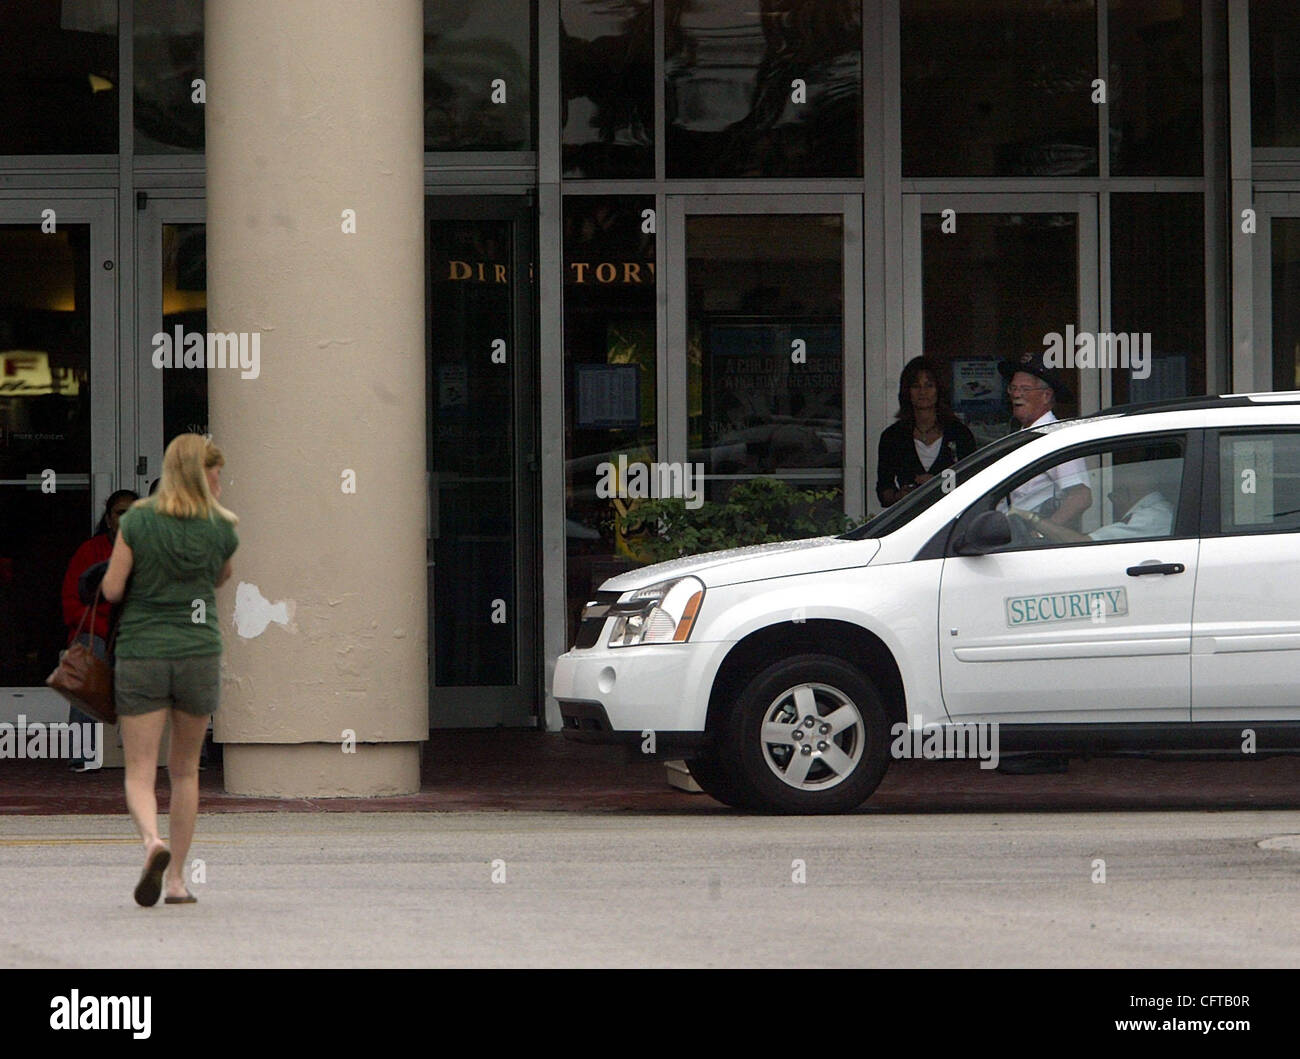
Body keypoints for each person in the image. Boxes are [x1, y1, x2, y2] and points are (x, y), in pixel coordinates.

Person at [102, 435, 238, 907]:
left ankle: (151, 843)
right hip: (198, 652)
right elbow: (222, 577)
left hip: (142, 652)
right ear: (202, 476)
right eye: (215, 474)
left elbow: (114, 590)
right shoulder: (223, 527)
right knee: (185, 771)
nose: (220, 482)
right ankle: (177, 880)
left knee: (140, 769)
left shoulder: (137, 520)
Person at [60, 489, 138, 770]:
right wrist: (108, 630)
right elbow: (72, 605)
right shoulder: (90, 552)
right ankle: (81, 752)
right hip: (98, 633)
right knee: (90, 655)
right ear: (108, 519)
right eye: (120, 513)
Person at [997, 350, 1092, 527]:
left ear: (1046, 395)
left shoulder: (1056, 436)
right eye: (1013, 388)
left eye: (1025, 389)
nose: (1016, 395)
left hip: (1031, 541)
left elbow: (1080, 497)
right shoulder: (1021, 433)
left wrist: (1041, 532)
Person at [876, 356, 977, 507]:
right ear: (907, 392)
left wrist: (937, 485)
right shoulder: (893, 436)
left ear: (939, 390)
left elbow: (973, 484)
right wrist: (899, 496)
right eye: (916, 386)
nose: (922, 392)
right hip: (908, 520)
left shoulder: (959, 434)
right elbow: (884, 490)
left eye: (929, 385)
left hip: (951, 519)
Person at [1011, 458, 1175, 545]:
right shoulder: (1157, 513)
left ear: (1127, 492)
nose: (1110, 500)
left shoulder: (1149, 519)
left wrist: (1032, 519)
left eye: (1113, 494)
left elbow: (1080, 543)